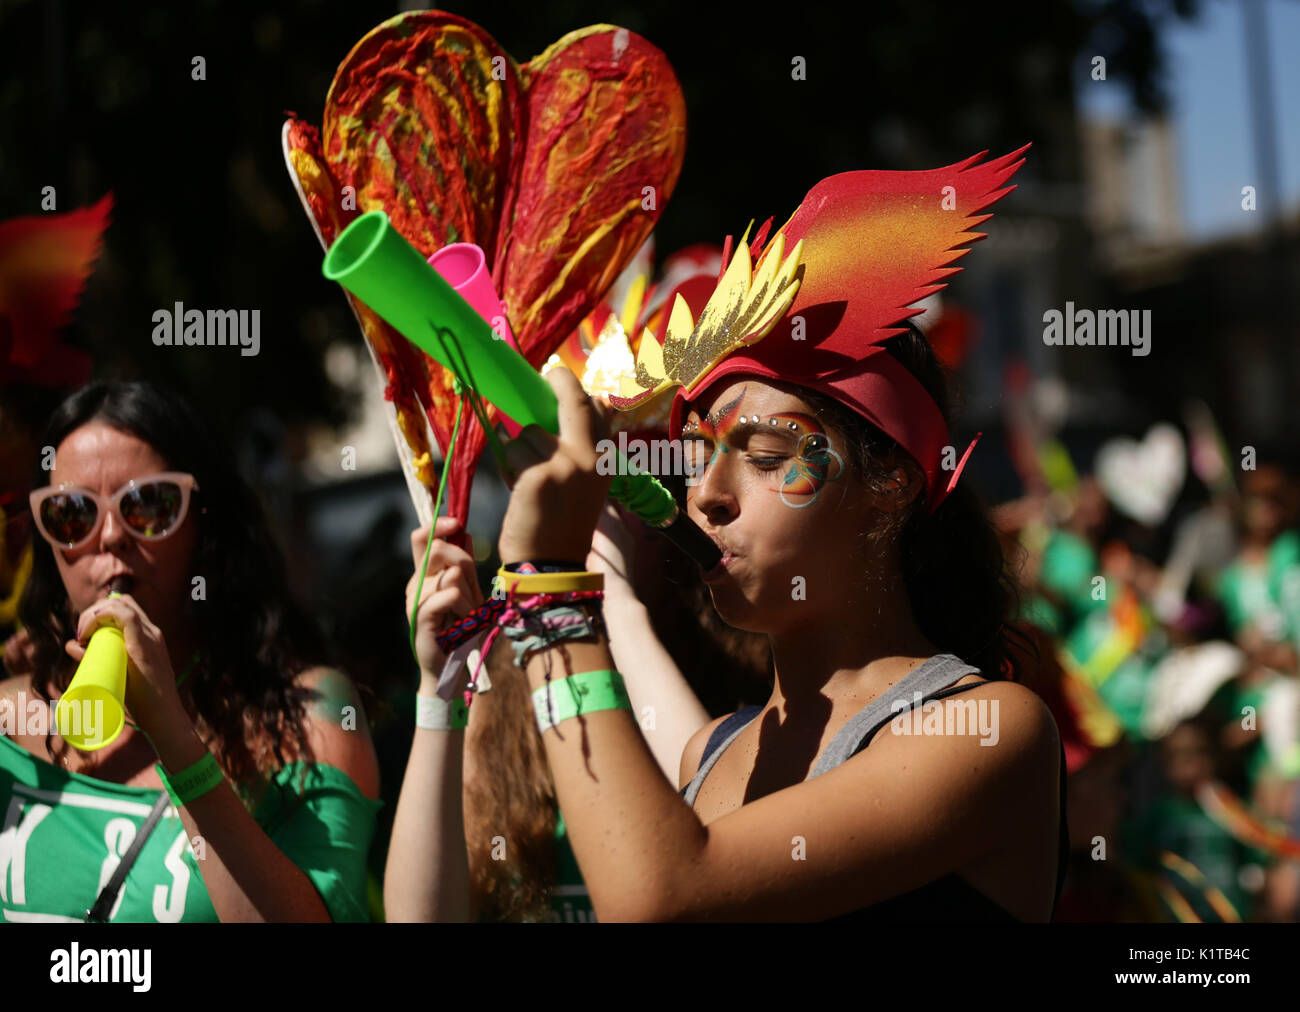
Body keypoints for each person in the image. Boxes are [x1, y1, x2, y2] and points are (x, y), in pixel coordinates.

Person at [486, 148, 1069, 921]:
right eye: (695, 461)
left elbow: (661, 893)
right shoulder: (711, 752)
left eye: (764, 457)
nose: (706, 496)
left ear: (890, 482)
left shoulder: (992, 729)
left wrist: (550, 584)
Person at [0, 381, 381, 922]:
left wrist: (176, 740)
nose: (109, 537)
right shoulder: (8, 722)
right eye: (72, 514)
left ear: (205, 522)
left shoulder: (307, 716)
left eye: (148, 505)